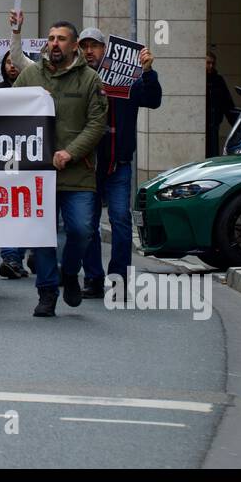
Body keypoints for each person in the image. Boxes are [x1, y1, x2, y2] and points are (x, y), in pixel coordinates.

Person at [12, 20, 108, 317]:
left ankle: (69, 272)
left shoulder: (90, 80)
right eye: (51, 38)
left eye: (61, 39)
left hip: (77, 172)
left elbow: (97, 124)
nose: (54, 44)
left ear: (74, 45)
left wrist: (70, 152)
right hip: (39, 172)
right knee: (42, 234)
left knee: (81, 230)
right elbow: (8, 106)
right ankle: (47, 291)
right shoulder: (31, 75)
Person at [76, 26, 161, 298]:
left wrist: (147, 71)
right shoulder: (77, 79)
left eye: (95, 46)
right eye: (84, 47)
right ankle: (92, 277)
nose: (89, 51)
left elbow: (153, 99)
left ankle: (119, 278)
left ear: (105, 50)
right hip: (88, 165)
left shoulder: (128, 79)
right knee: (86, 224)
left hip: (119, 163)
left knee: (121, 221)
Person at [206, 51, 237, 157]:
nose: (210, 66)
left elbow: (227, 103)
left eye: (212, 64)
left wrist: (235, 123)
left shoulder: (218, 80)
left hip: (213, 124)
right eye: (208, 63)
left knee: (212, 154)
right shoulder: (199, 80)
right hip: (203, 124)